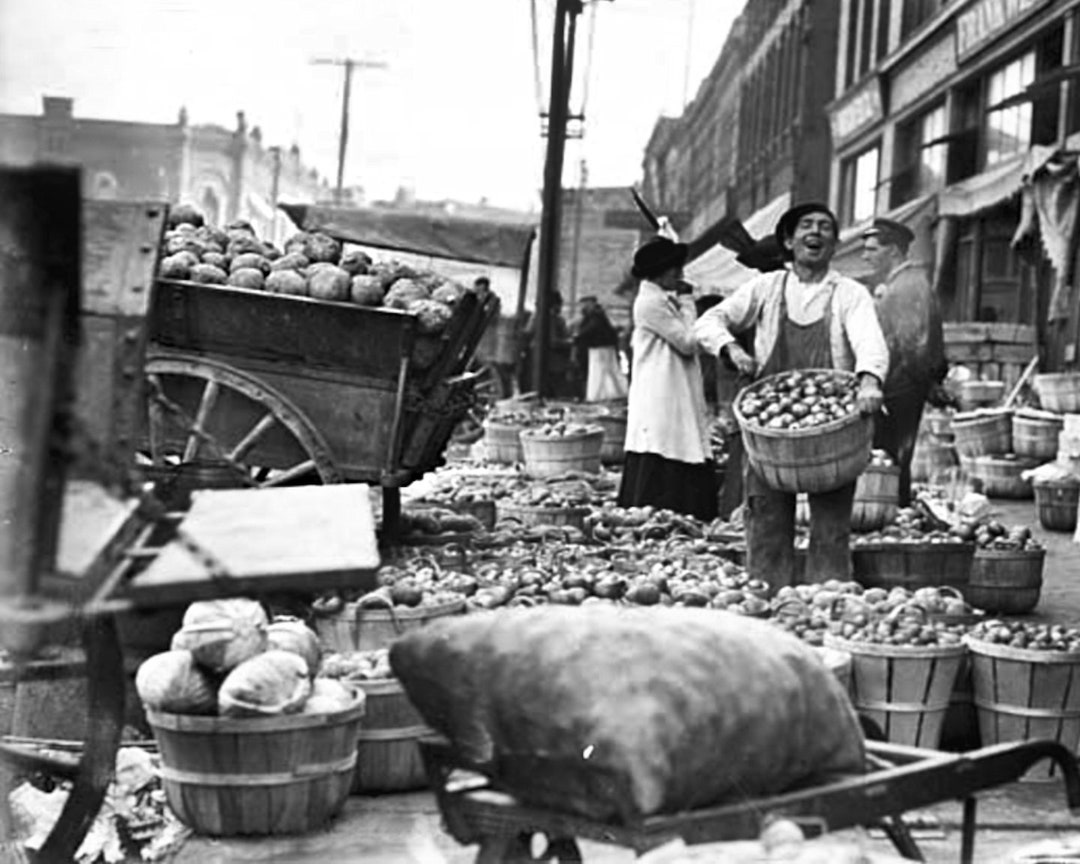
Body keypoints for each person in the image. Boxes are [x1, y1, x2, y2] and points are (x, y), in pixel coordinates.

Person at [695, 202, 889, 589]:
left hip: (832, 428)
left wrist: (869, 381)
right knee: (766, 521)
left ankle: (826, 605)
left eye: (825, 228)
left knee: (831, 527)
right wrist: (731, 349)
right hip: (769, 429)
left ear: (834, 244)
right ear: (788, 239)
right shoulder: (766, 288)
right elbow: (710, 320)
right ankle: (765, 600)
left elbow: (870, 341)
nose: (815, 233)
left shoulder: (850, 293)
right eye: (806, 226)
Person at [617, 235, 718, 521]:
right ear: (659, 273)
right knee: (664, 440)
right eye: (675, 271)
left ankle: (681, 511)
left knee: (677, 437)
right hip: (660, 386)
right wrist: (687, 301)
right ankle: (662, 509)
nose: (680, 276)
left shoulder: (660, 297)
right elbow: (688, 341)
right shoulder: (650, 303)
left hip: (672, 381)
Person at [861, 217, 949, 506]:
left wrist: (920, 382)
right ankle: (892, 508)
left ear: (894, 252)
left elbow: (915, 344)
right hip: (901, 382)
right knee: (892, 455)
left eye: (873, 249)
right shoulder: (902, 283)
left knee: (892, 455)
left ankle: (892, 510)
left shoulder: (908, 286)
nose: (865, 256)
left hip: (901, 385)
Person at [574, 294, 628, 402]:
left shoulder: (596, 316)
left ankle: (597, 395)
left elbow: (590, 329)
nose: (583, 307)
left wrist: (578, 335)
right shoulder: (596, 315)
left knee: (600, 373)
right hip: (599, 348)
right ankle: (610, 393)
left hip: (599, 348)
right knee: (606, 372)